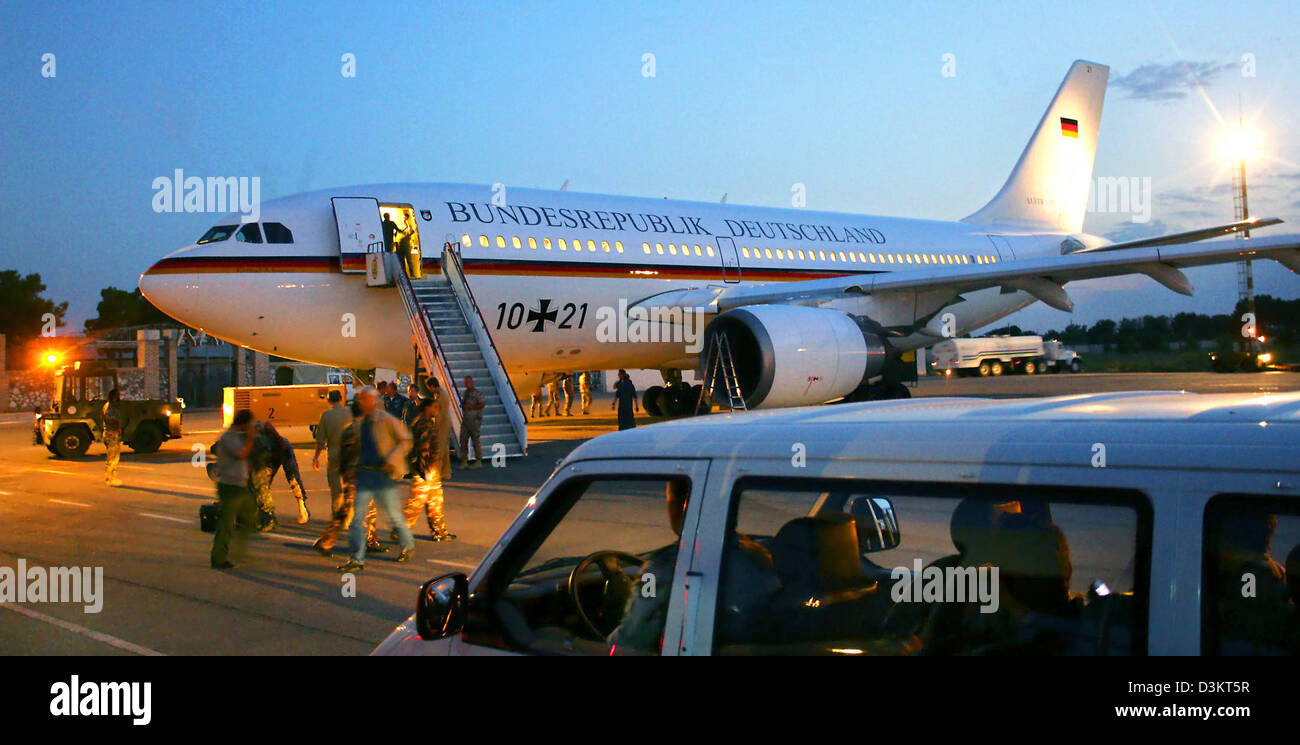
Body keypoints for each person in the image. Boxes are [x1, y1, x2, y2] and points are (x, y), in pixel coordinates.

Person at [336, 387, 414, 572]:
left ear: (372, 401)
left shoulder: (385, 420)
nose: (360, 403)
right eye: (360, 400)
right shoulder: (359, 422)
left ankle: (408, 545)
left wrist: (391, 460)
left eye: (363, 399)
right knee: (357, 519)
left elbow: (406, 440)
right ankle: (357, 559)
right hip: (364, 475)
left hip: (382, 475)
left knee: (393, 515)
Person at [314, 401, 381, 556]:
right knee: (346, 513)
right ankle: (325, 542)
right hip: (357, 478)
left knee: (370, 510)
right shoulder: (355, 431)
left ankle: (371, 541)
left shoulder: (359, 429)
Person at [210, 409, 258, 569]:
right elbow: (241, 454)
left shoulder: (236, 437)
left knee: (249, 516)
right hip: (229, 486)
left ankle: (239, 551)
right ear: (243, 423)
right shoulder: (229, 437)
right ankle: (218, 558)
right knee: (226, 524)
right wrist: (251, 438)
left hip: (239, 485)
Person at [404, 395, 455, 541]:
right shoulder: (423, 424)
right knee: (415, 503)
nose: (437, 410)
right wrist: (423, 470)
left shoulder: (422, 422)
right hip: (425, 469)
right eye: (435, 407)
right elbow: (422, 448)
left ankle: (439, 531)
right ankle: (401, 530)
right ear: (427, 408)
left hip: (430, 469)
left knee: (435, 501)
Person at [312, 389, 352, 517]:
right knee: (350, 485)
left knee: (335, 487)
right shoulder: (350, 413)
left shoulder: (326, 416)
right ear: (341, 399)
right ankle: (350, 514)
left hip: (334, 453)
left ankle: (337, 513)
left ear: (329, 400)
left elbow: (320, 441)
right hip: (349, 454)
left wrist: (316, 458)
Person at [264, 422, 310, 523]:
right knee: (264, 482)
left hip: (281, 450)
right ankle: (264, 512)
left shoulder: (258, 429)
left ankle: (302, 508)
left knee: (293, 479)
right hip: (272, 452)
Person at [459, 375, 486, 469]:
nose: (466, 384)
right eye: (465, 383)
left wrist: (471, 407)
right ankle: (464, 461)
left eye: (468, 382)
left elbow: (482, 404)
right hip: (466, 420)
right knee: (463, 440)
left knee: (475, 440)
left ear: (472, 382)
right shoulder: (466, 393)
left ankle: (478, 460)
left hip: (474, 420)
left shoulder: (477, 393)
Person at [102, 388, 123, 487]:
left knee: (114, 457)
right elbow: (111, 420)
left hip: (110, 433)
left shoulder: (108, 405)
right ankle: (109, 479)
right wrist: (118, 428)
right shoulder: (111, 407)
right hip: (112, 433)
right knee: (112, 457)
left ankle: (112, 477)